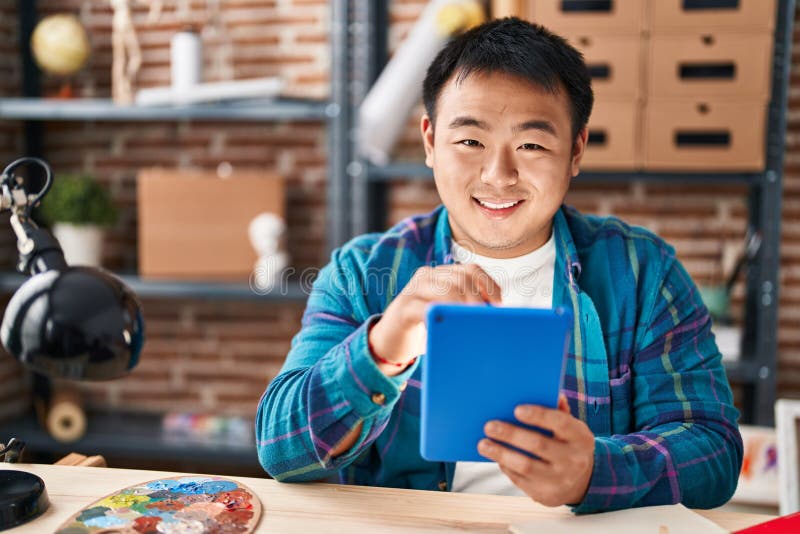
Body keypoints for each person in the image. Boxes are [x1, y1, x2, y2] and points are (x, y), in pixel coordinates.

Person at [255, 18, 743, 513]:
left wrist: (594, 471)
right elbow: (282, 451)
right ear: (430, 141)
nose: (498, 175)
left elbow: (714, 449)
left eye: (531, 145)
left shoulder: (642, 271)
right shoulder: (365, 271)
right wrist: (383, 347)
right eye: (470, 142)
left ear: (575, 150)